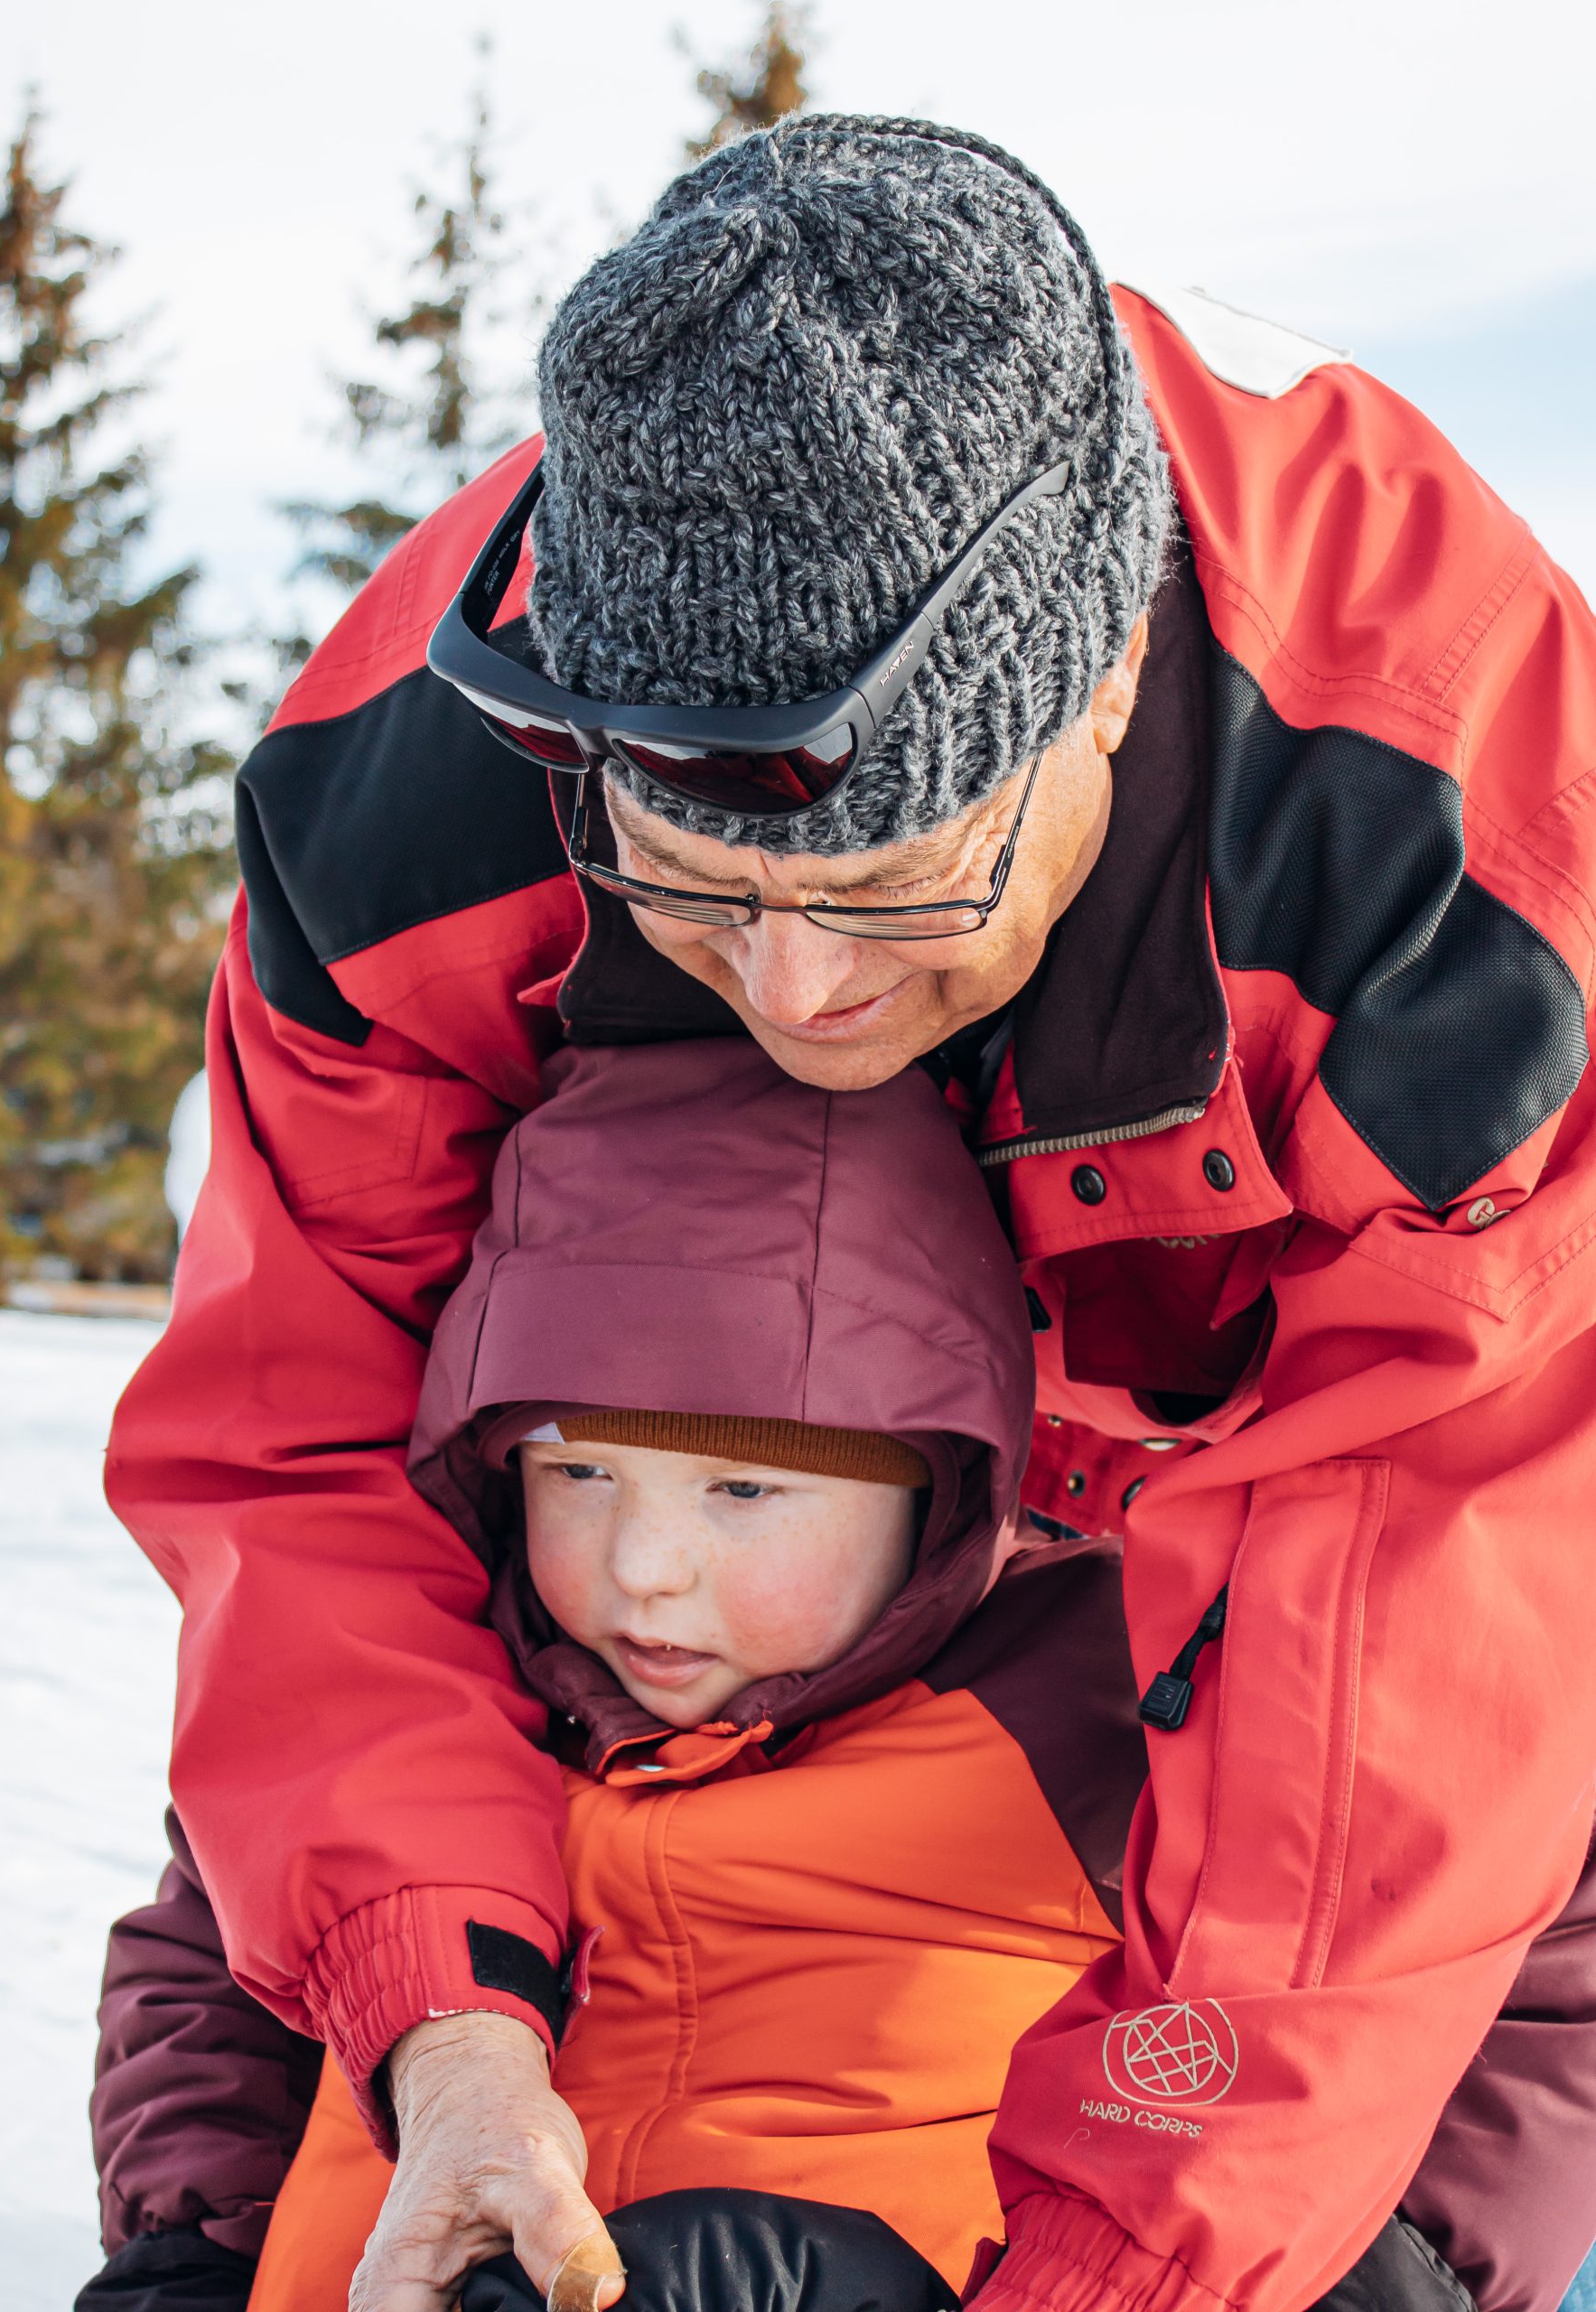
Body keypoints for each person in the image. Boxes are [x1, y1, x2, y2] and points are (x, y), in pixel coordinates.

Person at [102, 112, 1596, 2312]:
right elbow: (309, 1460)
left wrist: (1136, 2261)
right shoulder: (388, 826)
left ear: (1090, 686)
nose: (803, 996)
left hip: (1281, 1563)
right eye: (697, 893)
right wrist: (443, 2024)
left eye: (899, 895)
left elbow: (1407, 1629)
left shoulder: (1449, 860)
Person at [82, 1043, 1591, 2312]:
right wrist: (189, 2249)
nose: (645, 1569)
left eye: (746, 1495)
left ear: (942, 1486)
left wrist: (1395, 2273)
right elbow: (219, 1938)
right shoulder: (434, 1685)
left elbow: (1497, 1906)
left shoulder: (1098, 1699)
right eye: (579, 1470)